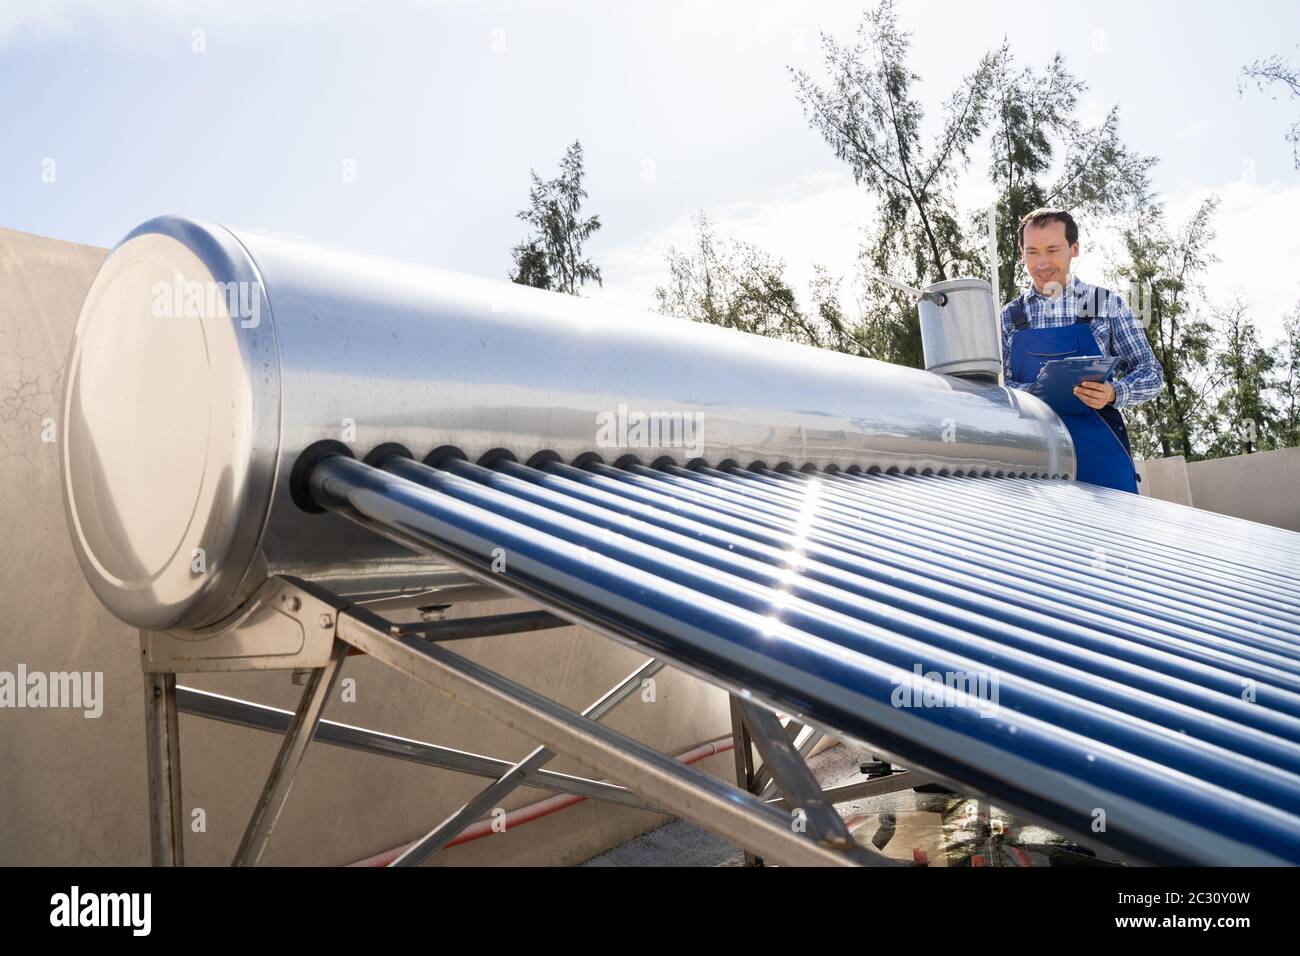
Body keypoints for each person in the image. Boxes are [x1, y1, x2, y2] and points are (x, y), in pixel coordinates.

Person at [1001, 207, 1164, 455]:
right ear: (1022, 254)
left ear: (1074, 249)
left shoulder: (1106, 304)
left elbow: (1150, 373)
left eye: (1052, 250)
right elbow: (994, 387)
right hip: (1030, 455)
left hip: (1099, 451)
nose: (1042, 263)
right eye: (1032, 252)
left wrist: (1113, 392)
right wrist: (1033, 396)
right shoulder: (1008, 317)